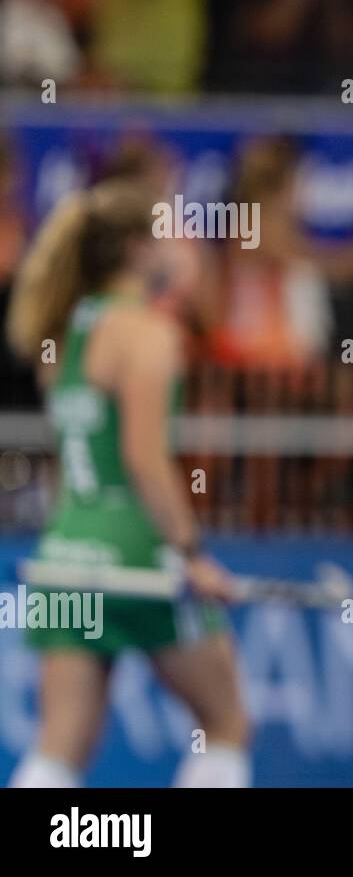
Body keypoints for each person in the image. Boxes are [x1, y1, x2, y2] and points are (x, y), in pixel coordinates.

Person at [5, 180, 251, 787]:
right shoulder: (147, 332)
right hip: (138, 553)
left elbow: (74, 457)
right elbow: (144, 459)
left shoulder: (58, 335)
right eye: (167, 233)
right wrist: (190, 555)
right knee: (226, 724)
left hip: (66, 546)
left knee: (60, 746)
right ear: (140, 250)